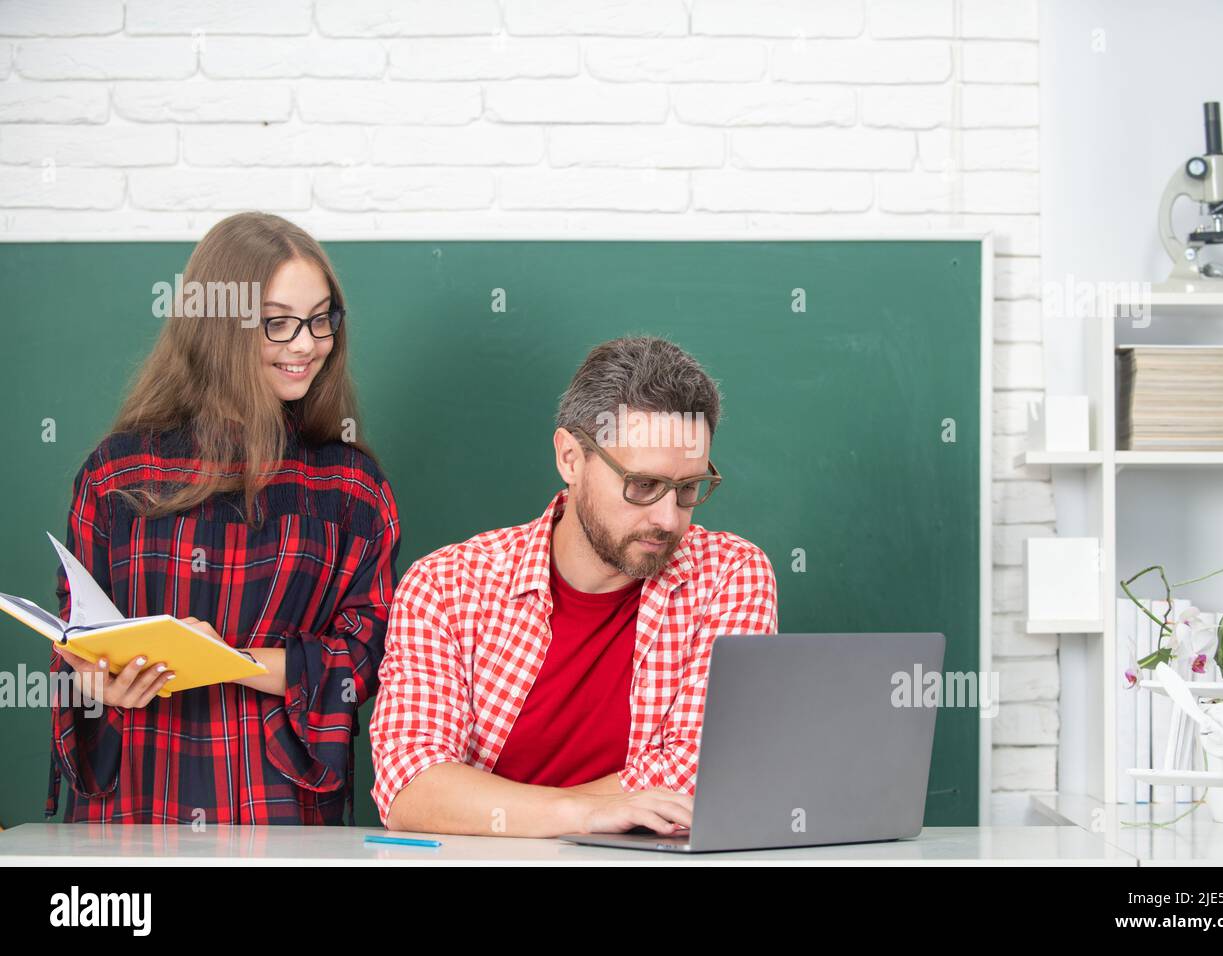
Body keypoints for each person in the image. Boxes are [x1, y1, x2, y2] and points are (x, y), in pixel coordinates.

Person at [48, 211, 400, 825]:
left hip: (282, 816)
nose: (307, 344)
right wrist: (94, 684)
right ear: (218, 327)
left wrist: (231, 659)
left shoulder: (351, 487)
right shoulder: (117, 476)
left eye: (321, 319)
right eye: (278, 324)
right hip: (136, 807)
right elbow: (73, 646)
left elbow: (371, 653)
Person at [370, 336, 777, 837]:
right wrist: (585, 814)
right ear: (570, 458)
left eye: (688, 489)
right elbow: (411, 787)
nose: (670, 519)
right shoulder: (446, 586)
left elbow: (703, 773)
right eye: (643, 486)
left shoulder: (732, 576)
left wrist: (485, 805)